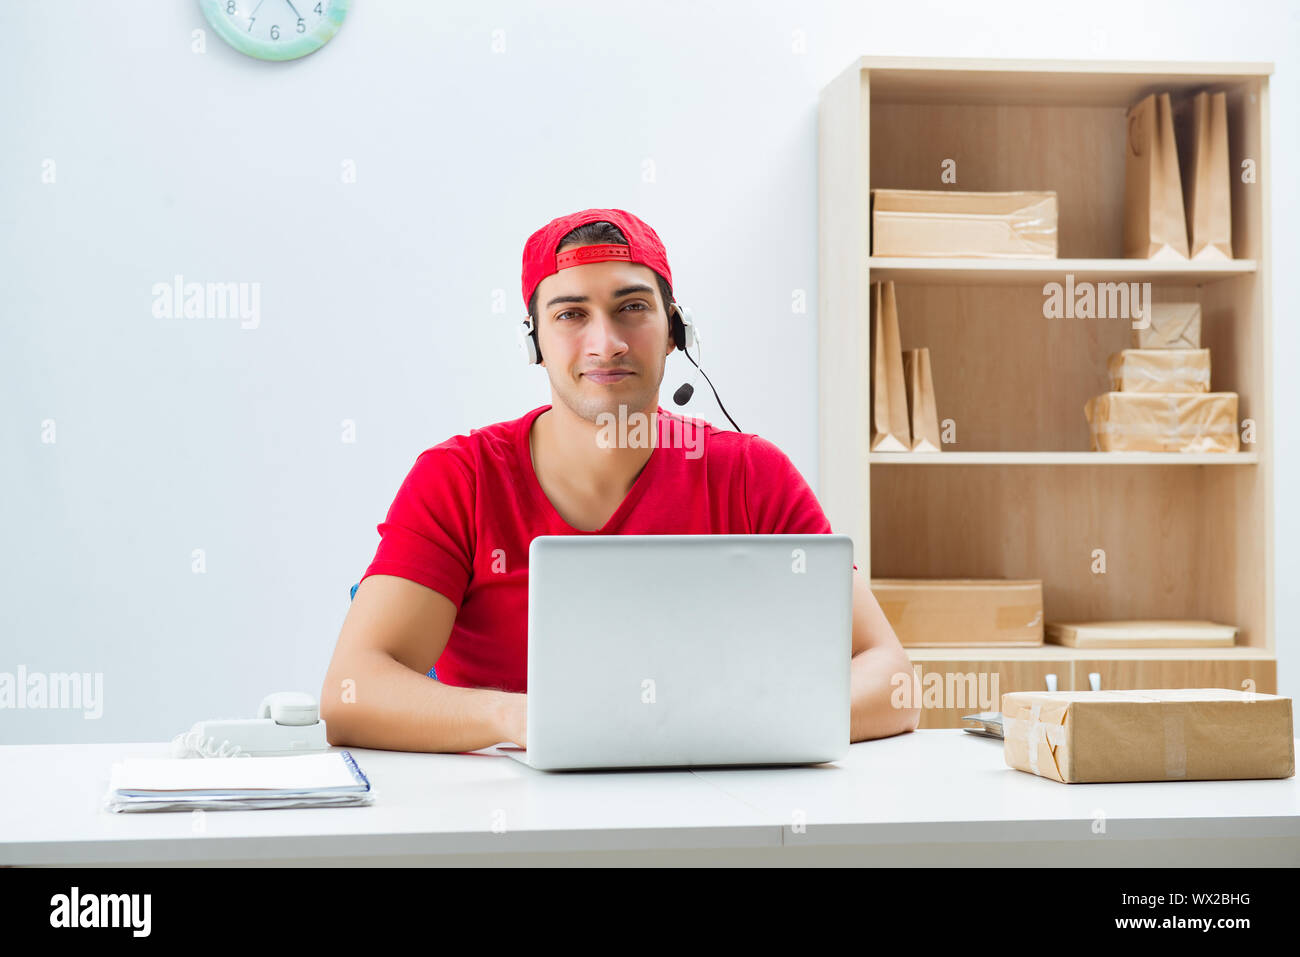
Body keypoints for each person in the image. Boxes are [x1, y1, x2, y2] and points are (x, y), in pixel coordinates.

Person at [320, 208, 920, 753]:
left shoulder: (749, 474)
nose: (605, 343)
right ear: (535, 342)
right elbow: (353, 691)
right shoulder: (461, 477)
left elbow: (889, 678)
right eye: (570, 315)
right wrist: (525, 720)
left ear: (675, 331)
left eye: (632, 308)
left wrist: (724, 720)